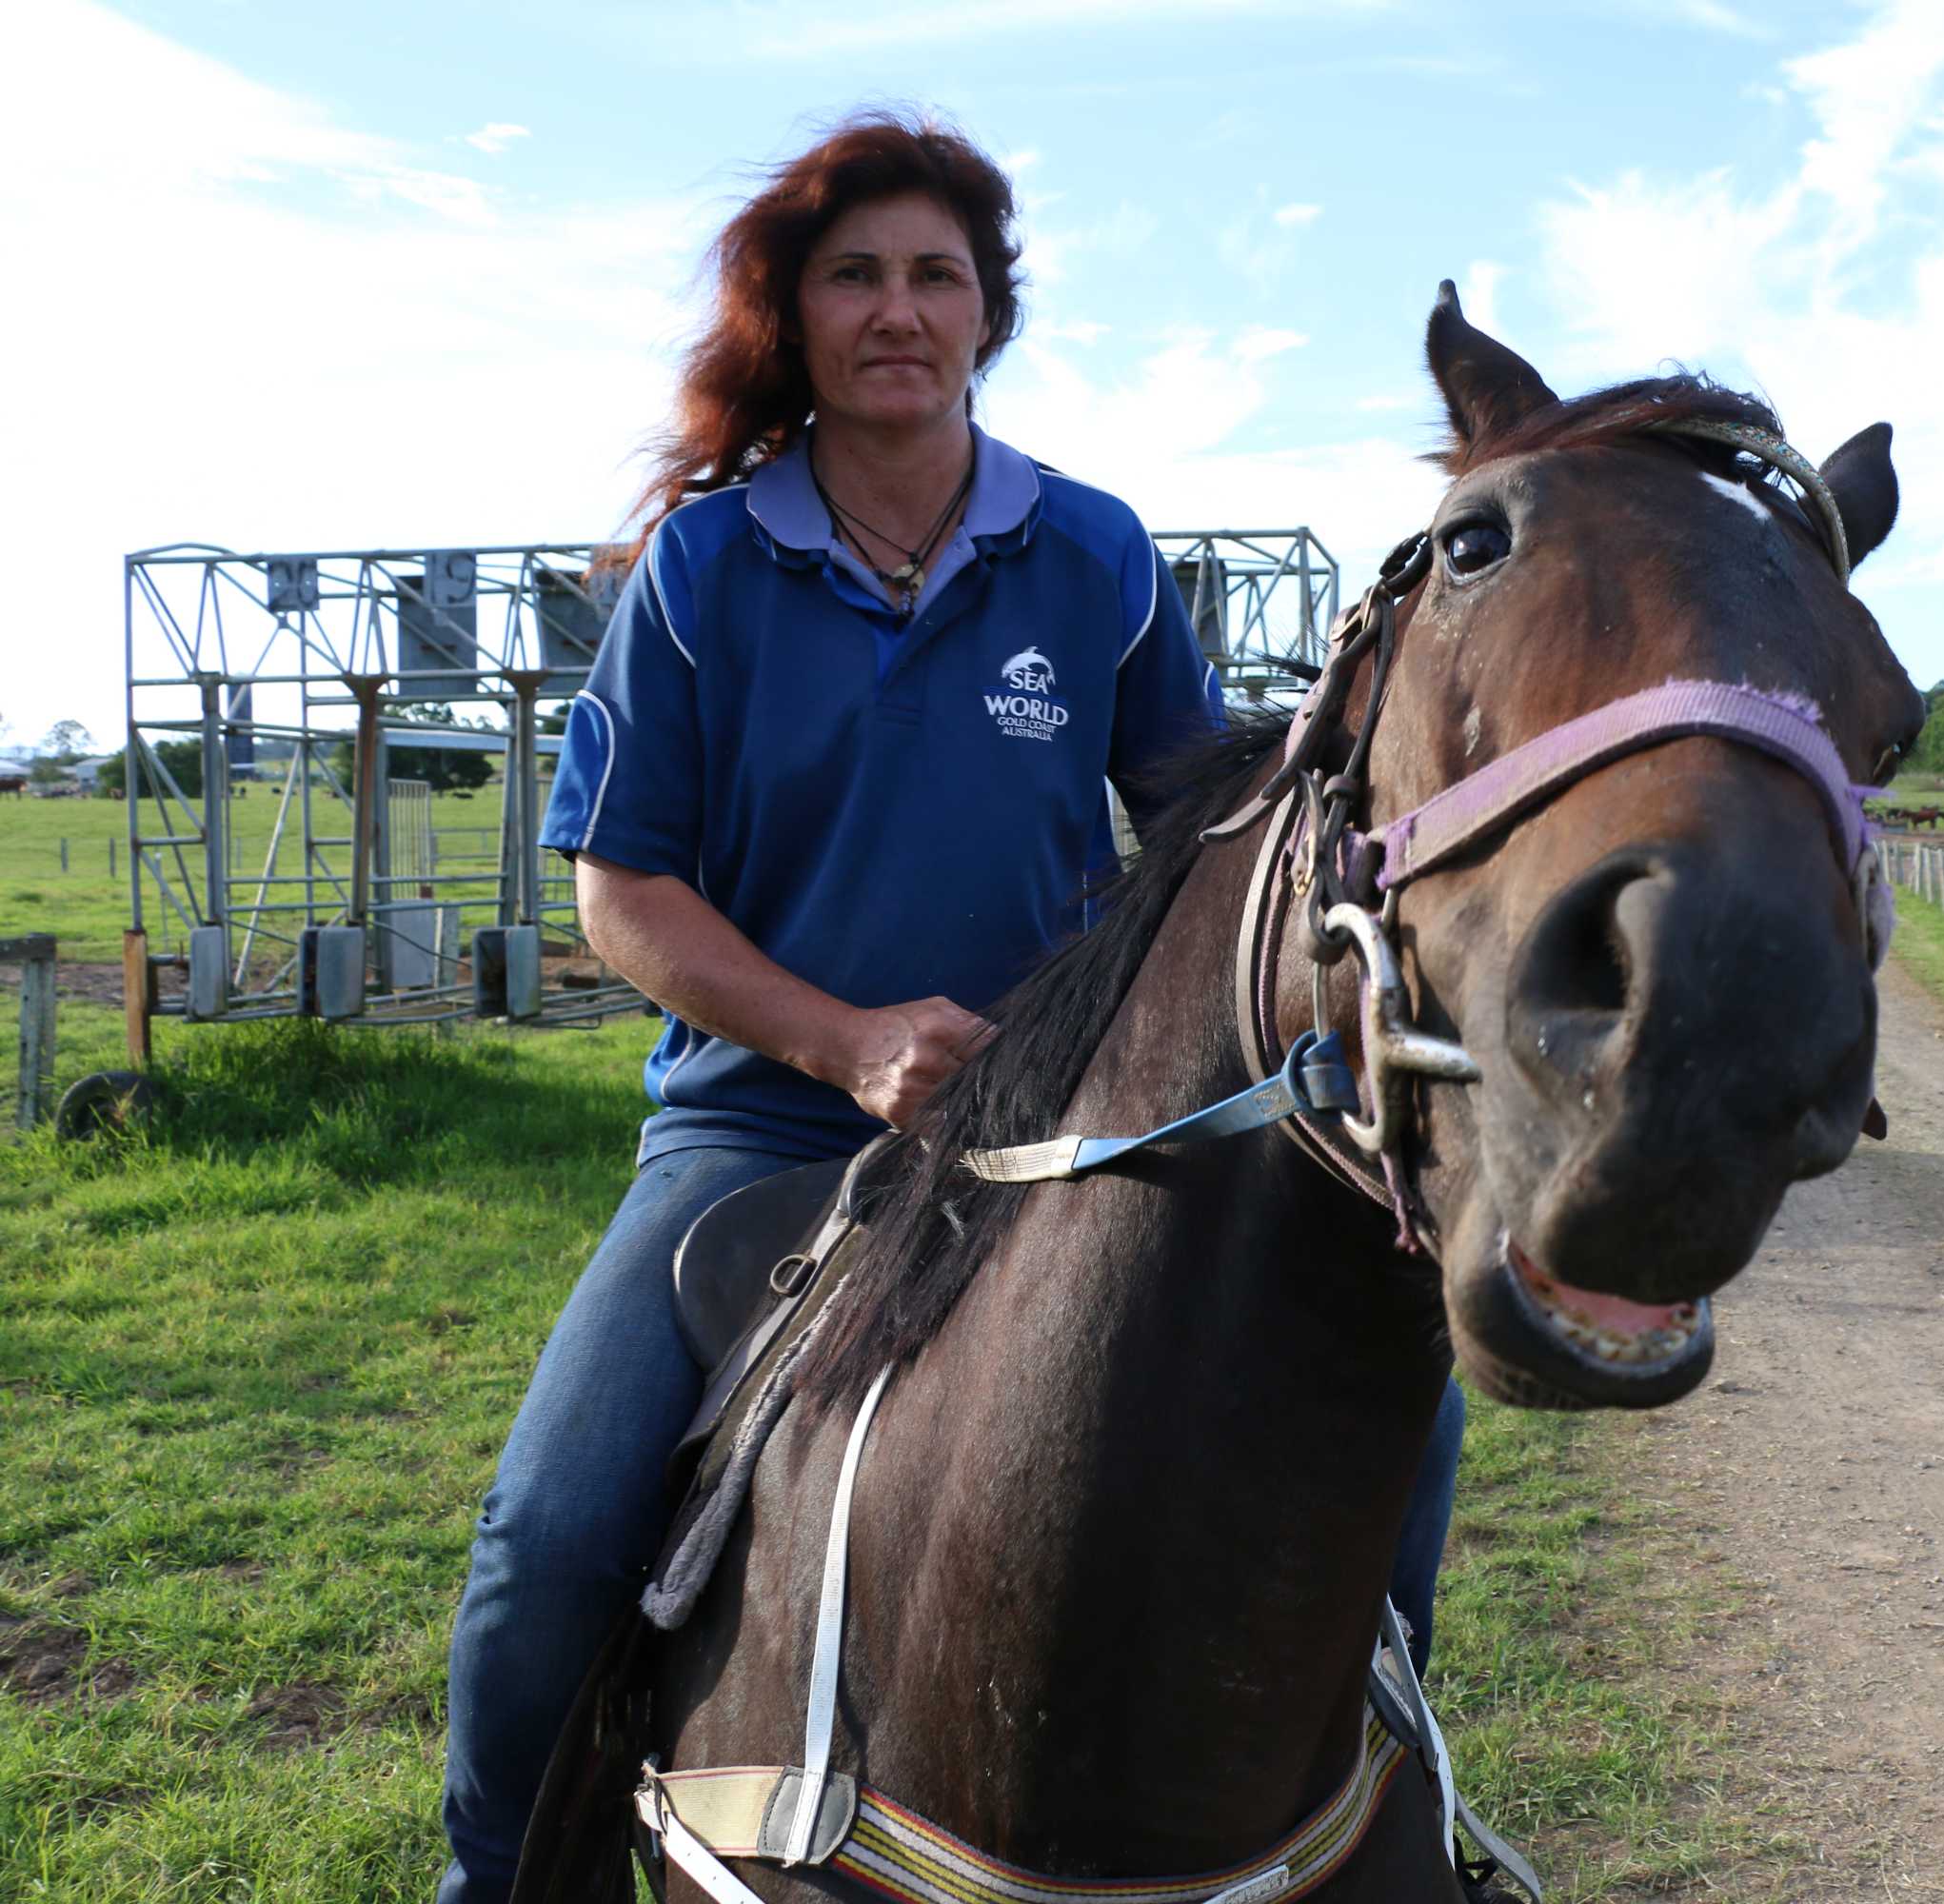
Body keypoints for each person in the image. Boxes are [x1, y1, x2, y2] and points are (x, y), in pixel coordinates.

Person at [435, 111, 1469, 1904]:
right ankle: (494, 1880)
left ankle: (1368, 1787)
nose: (898, 308)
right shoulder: (700, 574)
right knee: (547, 1536)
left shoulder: (1093, 552)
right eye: (857, 275)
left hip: (1070, 1124)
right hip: (758, 1128)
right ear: (799, 315)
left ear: (990, 313)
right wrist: (843, 1043)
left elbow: (1203, 836)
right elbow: (620, 893)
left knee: (1402, 1410)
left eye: (938, 275)